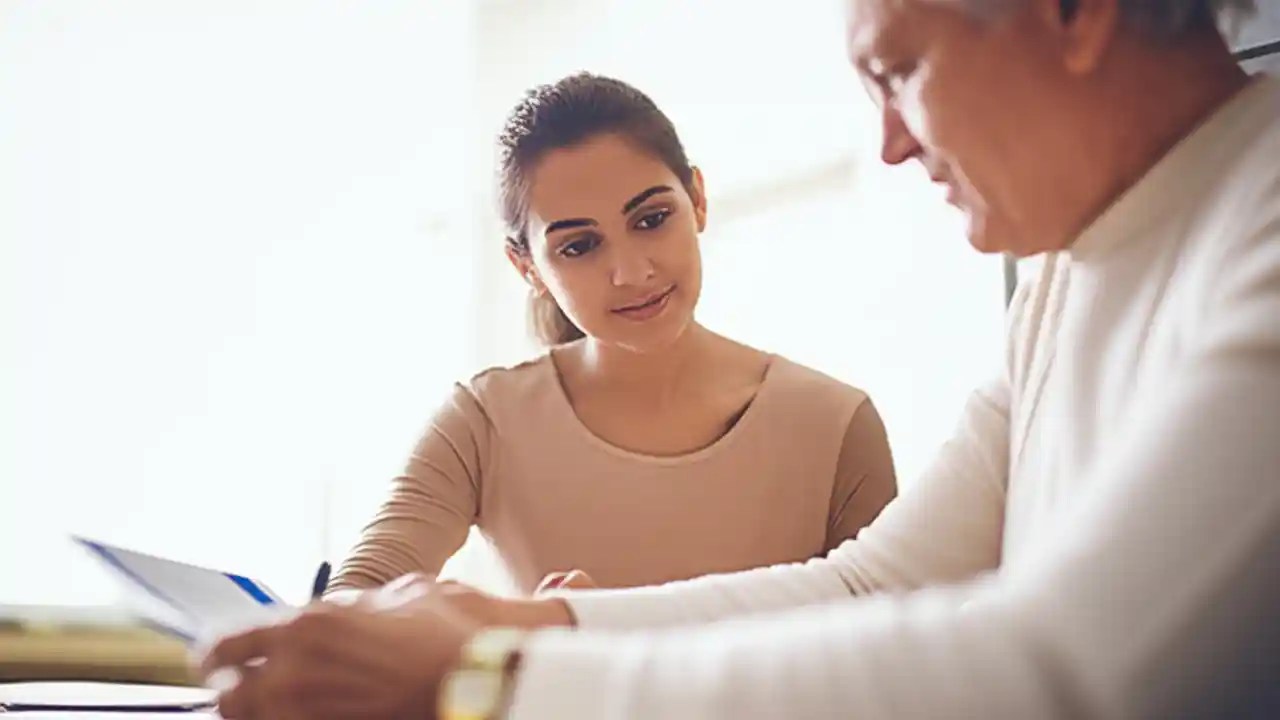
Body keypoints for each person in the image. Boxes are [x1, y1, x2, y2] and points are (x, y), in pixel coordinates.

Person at [201, 0, 1280, 717]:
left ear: (1072, 12)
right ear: (528, 266)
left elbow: (1054, 666)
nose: (890, 144)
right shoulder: (1064, 273)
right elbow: (869, 584)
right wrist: (516, 616)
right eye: (576, 243)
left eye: (899, 68)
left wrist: (500, 673)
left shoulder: (1258, 217)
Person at [325, 72, 897, 596]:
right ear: (528, 268)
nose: (631, 273)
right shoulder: (484, 421)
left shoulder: (835, 424)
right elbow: (354, 605)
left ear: (697, 199)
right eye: (579, 246)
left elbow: (896, 666)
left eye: (651, 220)